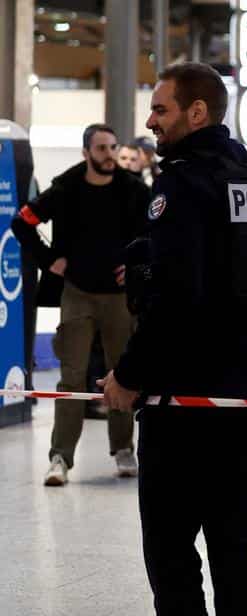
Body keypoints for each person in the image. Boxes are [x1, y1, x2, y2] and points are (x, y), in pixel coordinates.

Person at [98, 62, 247, 616]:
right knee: (238, 547)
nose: (151, 122)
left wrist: (127, 375)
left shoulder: (182, 183)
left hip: (189, 399)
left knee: (172, 552)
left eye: (160, 110)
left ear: (196, 112)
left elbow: (178, 303)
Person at [11, 123, 150, 486]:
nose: (109, 155)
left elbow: (155, 234)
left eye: (113, 147)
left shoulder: (134, 190)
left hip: (120, 298)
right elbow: (22, 222)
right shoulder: (66, 187)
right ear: (86, 152)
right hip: (76, 293)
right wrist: (49, 260)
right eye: (102, 149)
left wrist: (136, 269)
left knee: (123, 373)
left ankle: (123, 449)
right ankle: (60, 458)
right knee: (71, 377)